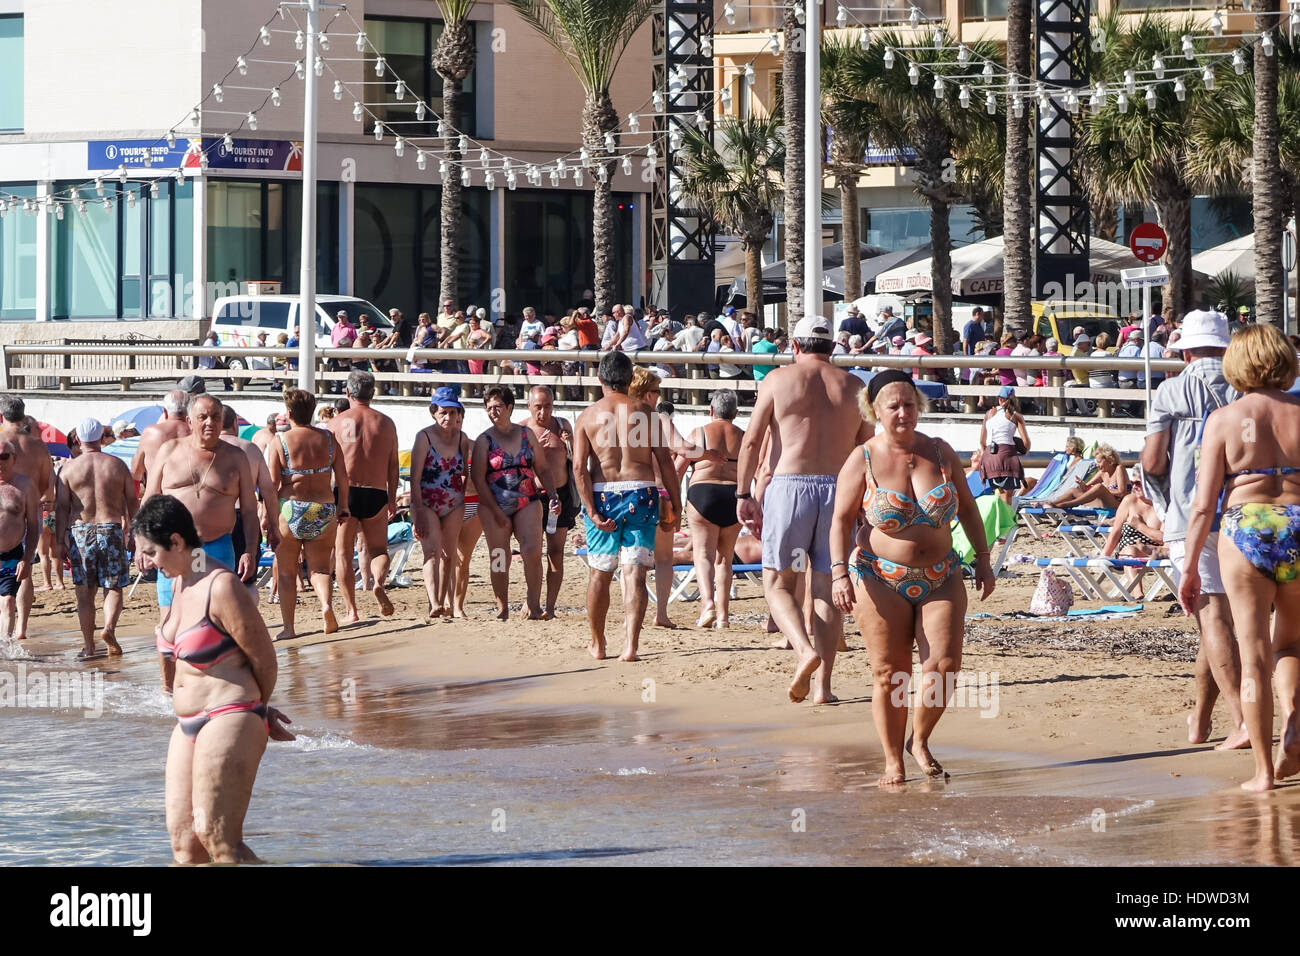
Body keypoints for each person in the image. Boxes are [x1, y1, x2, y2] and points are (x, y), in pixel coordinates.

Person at [830, 371, 994, 786]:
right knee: (890, 672)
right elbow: (840, 521)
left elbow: (970, 511)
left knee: (944, 665)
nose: (903, 413)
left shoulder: (940, 452)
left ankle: (919, 739)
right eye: (893, 406)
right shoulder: (862, 458)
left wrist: (985, 560)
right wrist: (837, 575)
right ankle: (892, 760)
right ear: (875, 412)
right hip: (878, 576)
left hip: (942, 574)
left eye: (909, 404)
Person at [133, 494, 293, 864]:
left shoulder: (221, 586)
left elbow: (265, 660)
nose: (145, 563)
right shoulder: (177, 583)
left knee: (219, 839)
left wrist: (258, 711)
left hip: (230, 712)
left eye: (151, 552)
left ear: (176, 541)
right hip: (187, 722)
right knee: (186, 847)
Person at [1180, 323, 1300, 790]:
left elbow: (1204, 504)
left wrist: (1189, 567)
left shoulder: (1225, 419)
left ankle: (1263, 773)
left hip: (1247, 527)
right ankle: (1294, 724)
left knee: (1253, 657)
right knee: (1290, 645)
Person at [735, 315, 872, 705]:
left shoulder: (778, 380)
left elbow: (751, 441)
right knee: (827, 588)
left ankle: (802, 649)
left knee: (777, 582)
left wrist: (744, 493)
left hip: (790, 486)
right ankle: (823, 688)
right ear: (832, 348)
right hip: (838, 488)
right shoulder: (854, 386)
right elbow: (866, 447)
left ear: (794, 346)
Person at [573, 352, 681, 660]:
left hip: (604, 493)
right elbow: (665, 461)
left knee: (600, 572)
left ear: (600, 379)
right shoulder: (646, 413)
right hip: (641, 492)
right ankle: (631, 645)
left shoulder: (588, 415)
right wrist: (676, 502)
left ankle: (598, 643)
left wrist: (591, 510)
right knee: (635, 572)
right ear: (629, 379)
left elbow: (579, 468)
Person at [144, 394, 259, 661]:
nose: (210, 423)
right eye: (203, 417)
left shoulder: (236, 457)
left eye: (216, 417)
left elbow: (251, 510)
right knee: (170, 622)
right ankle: (168, 694)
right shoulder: (169, 450)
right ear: (189, 421)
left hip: (218, 546)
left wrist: (250, 550)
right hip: (174, 550)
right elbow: (149, 498)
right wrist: (143, 545)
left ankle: (213, 687)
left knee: (217, 619)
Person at [471, 386, 560, 620]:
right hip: (493, 503)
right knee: (499, 555)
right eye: (489, 408)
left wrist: (553, 494)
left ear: (509, 407)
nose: (493, 412)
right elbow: (478, 480)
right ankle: (502, 605)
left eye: (497, 407)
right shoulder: (484, 440)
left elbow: (542, 467)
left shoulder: (526, 434)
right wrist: (494, 509)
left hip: (527, 499)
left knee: (532, 551)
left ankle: (533, 603)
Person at [268, 388, 349, 641]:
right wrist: (343, 506)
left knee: (286, 572)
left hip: (291, 508)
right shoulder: (328, 439)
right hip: (324, 507)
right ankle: (326, 605)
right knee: (320, 569)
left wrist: (266, 516)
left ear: (289, 413)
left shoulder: (279, 441)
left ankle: (289, 628)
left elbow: (272, 484)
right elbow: (343, 479)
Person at [54, 419, 138, 660]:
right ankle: (109, 628)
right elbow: (132, 501)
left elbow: (61, 508)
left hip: (81, 531)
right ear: (102, 438)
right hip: (111, 528)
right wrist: (134, 532)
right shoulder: (117, 465)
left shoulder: (69, 469)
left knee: (84, 592)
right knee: (113, 586)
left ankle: (89, 646)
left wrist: (59, 541)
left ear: (78, 440)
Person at [327, 371, 400, 623]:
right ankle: (378, 582)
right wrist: (391, 498)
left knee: (344, 553)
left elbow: (327, 464)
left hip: (344, 493)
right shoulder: (387, 423)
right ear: (373, 393)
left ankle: (351, 610)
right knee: (379, 549)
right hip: (376, 491)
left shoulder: (335, 423)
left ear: (348, 393)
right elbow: (393, 465)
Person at [685, 389, 746, 629]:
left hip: (703, 492)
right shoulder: (743, 436)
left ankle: (707, 604)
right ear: (736, 413)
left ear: (711, 410)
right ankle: (723, 616)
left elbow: (680, 465)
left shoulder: (699, 433)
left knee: (703, 555)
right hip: (733, 494)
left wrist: (669, 497)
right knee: (725, 559)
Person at [411, 387, 472, 621]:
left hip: (454, 502)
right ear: (434, 413)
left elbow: (465, 472)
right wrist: (417, 512)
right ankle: (434, 602)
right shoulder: (424, 437)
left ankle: (445, 603)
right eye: (443, 412)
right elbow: (414, 479)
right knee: (432, 551)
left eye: (452, 412)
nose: (448, 418)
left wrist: (462, 494)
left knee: (449, 555)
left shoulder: (462, 439)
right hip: (427, 501)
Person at [522, 385, 579, 620]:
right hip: (533, 496)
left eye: (547, 407)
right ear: (529, 406)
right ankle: (531, 600)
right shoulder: (523, 429)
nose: (543, 413)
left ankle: (551, 606)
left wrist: (570, 444)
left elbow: (577, 461)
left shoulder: (562, 425)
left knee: (556, 552)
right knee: (532, 552)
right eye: (538, 407)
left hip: (560, 495)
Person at [0, 397, 53, 642]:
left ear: (2, 417)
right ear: (24, 418)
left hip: (15, 505)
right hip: (31, 505)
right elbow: (47, 485)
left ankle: (11, 628)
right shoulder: (37, 446)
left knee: (18, 572)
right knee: (27, 572)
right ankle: (21, 628)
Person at [221, 405, 280, 598]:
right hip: (244, 517)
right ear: (235, 424)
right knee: (246, 578)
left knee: (210, 577)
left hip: (213, 517)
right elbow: (269, 490)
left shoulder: (202, 449)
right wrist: (273, 525)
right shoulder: (249, 449)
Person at [0, 439, 40, 644]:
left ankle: (4, 652)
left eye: (4, 456)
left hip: (11, 555)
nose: (0, 461)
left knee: (8, 601)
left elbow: (34, 526)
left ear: (14, 458)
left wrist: (27, 557)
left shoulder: (24, 485)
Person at [976, 386, 1030, 506]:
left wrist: (987, 454)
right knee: (1008, 494)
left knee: (998, 491)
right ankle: (1007, 522)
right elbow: (1026, 443)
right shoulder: (1015, 416)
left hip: (990, 456)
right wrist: (1023, 452)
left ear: (1000, 399)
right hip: (1007, 455)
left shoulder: (989, 414)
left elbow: (982, 442)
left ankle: (999, 520)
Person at [131, 391, 191, 488]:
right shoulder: (197, 433)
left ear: (165, 412)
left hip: (157, 497)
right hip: (189, 499)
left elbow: (136, 472)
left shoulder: (150, 433)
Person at [1053, 442, 1129, 510]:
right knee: (1073, 490)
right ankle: (1052, 504)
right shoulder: (1102, 472)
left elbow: (1121, 492)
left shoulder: (1119, 468)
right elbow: (1086, 489)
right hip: (1103, 503)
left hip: (1119, 505)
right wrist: (1082, 485)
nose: (1097, 465)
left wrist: (1103, 491)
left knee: (1099, 487)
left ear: (1109, 460)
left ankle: (1069, 504)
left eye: (1099, 462)